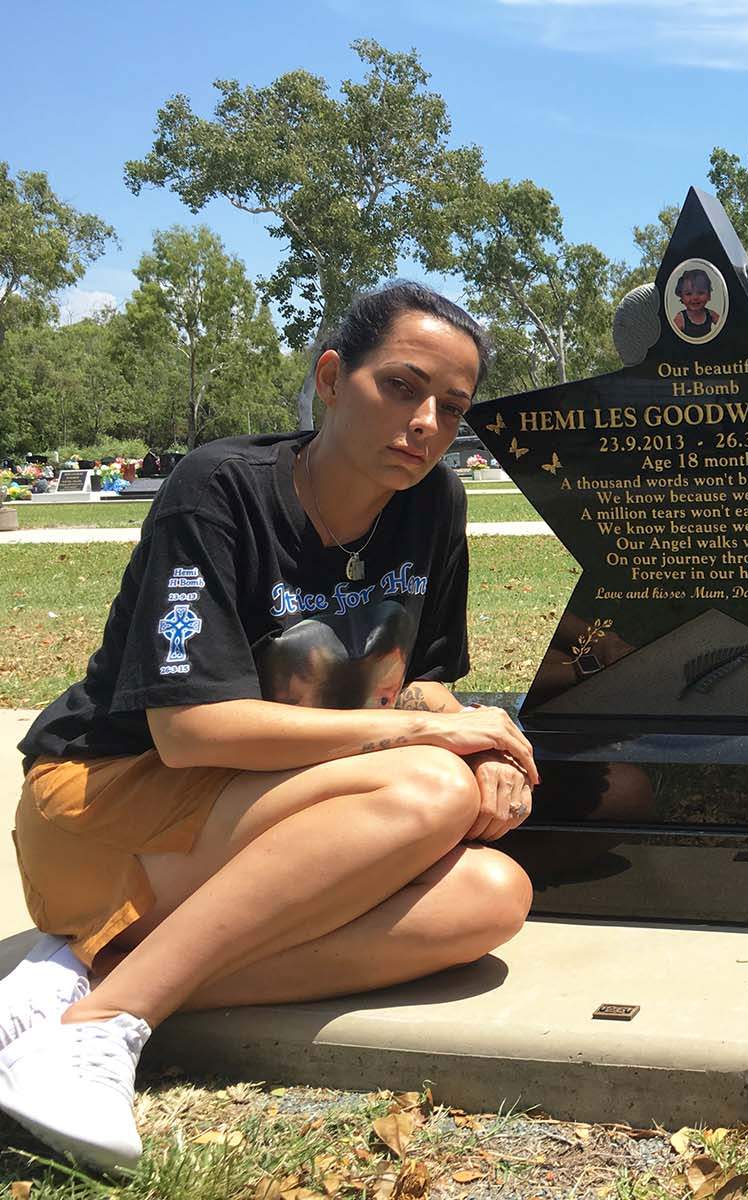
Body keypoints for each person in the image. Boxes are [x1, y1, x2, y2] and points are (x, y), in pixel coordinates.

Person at [0, 281, 538, 1170]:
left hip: (266, 822)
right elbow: (189, 732)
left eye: (452, 406)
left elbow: (427, 678)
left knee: (492, 900)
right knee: (427, 784)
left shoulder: (434, 503)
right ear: (332, 378)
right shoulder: (221, 489)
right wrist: (423, 742)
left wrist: (477, 743)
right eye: (401, 387)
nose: (426, 423)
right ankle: (101, 1028)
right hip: (105, 807)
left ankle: (92, 977)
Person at [673, 268, 721, 338]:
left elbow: (723, 325)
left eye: (700, 292)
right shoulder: (680, 318)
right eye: (689, 293)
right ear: (681, 297)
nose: (695, 297)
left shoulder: (710, 314)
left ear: (709, 295)